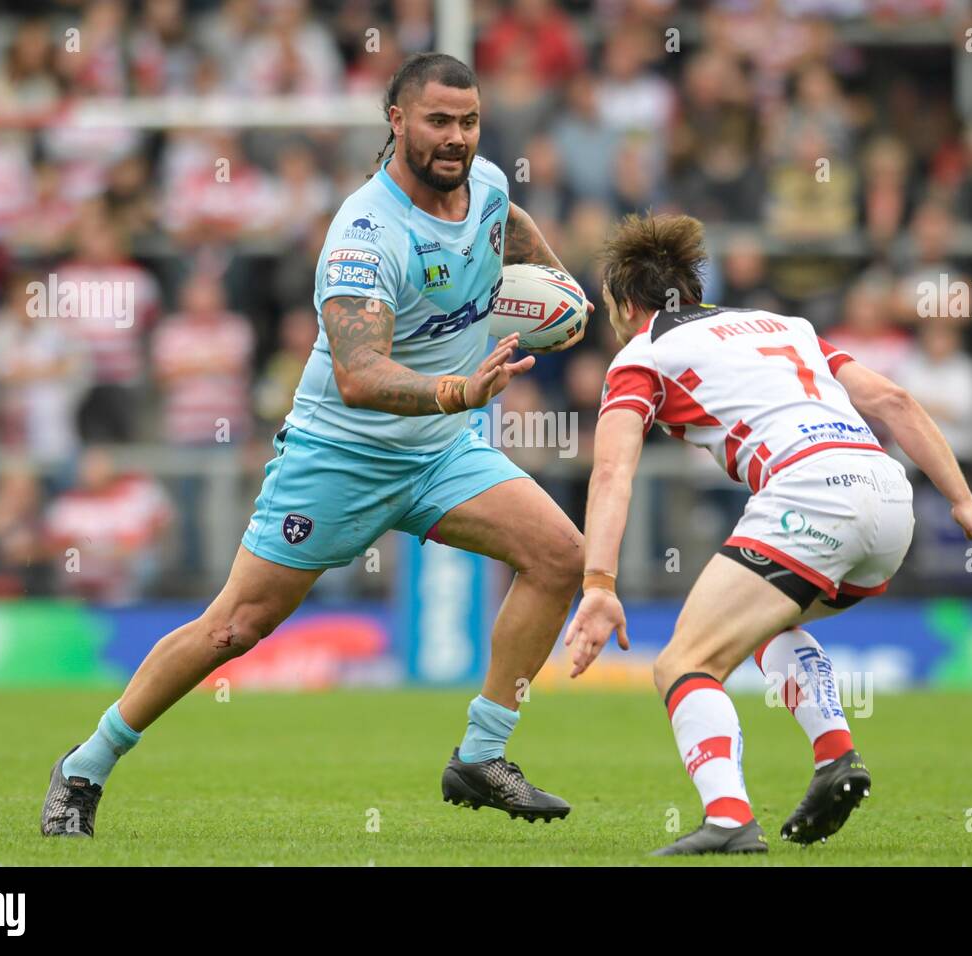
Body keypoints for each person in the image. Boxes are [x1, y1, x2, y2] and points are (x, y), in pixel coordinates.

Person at [41, 52, 591, 837]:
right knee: (233, 627)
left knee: (558, 556)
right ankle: (86, 764)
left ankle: (480, 756)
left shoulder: (492, 189)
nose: (457, 138)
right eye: (438, 120)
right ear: (396, 121)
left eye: (469, 121)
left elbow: (512, 230)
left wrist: (557, 291)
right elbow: (362, 373)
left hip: (439, 450)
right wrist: (459, 392)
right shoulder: (364, 234)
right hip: (342, 456)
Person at [562, 213, 972, 856]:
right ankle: (835, 757)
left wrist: (598, 583)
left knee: (684, 662)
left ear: (628, 306)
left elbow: (610, 473)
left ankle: (729, 817)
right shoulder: (783, 326)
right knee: (767, 625)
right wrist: (966, 503)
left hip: (809, 495)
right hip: (888, 498)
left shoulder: (643, 354)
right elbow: (896, 403)